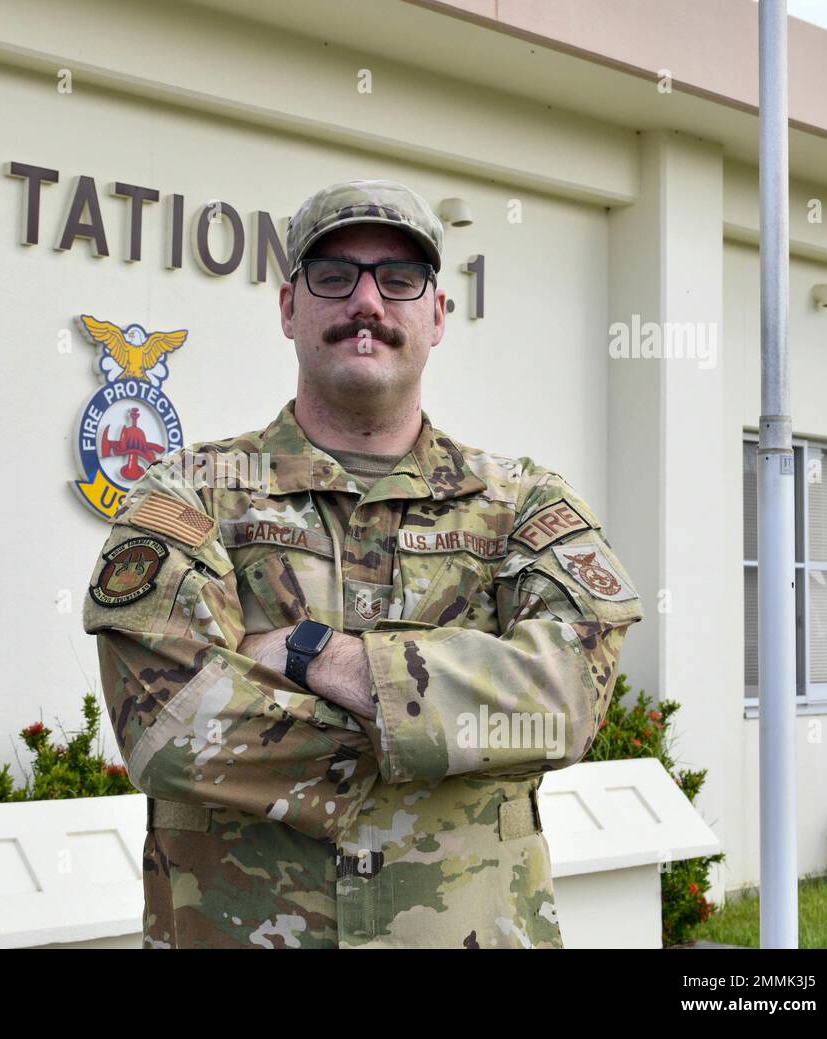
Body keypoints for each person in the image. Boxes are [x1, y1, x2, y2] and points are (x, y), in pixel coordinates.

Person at [81, 179, 643, 948]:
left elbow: (567, 698)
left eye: (399, 278)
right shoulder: (191, 494)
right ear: (289, 307)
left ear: (437, 314)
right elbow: (173, 728)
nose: (368, 302)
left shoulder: (522, 502)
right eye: (334, 275)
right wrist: (453, 737)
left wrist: (317, 657)